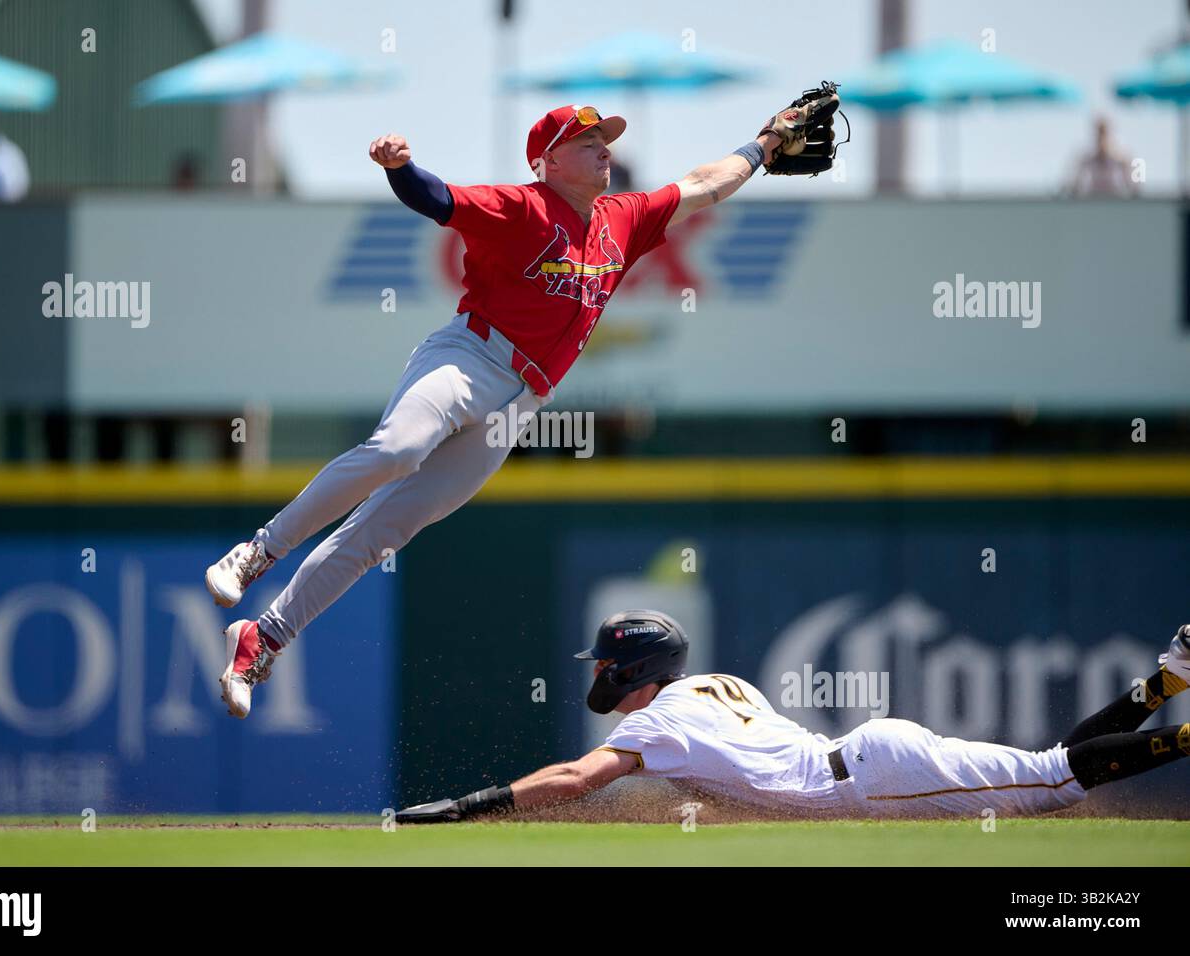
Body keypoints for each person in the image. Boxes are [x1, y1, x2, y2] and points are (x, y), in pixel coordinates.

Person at [204, 91, 842, 720]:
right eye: (588, 143)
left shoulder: (624, 217)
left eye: (605, 143)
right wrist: (399, 167)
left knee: (382, 532)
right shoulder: (521, 206)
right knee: (396, 450)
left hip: (524, 401)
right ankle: (258, 551)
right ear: (549, 160)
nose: (604, 152)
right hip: (469, 358)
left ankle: (264, 638)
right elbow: (437, 199)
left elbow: (706, 183)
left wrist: (762, 144)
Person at [395, 613, 1190, 822]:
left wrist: (477, 806)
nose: (598, 674)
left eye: (605, 663)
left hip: (871, 778)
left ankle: (1175, 701)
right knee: (1052, 770)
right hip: (873, 758)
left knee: (1054, 777)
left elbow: (576, 779)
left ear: (633, 669)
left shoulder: (651, 724)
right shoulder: (715, 685)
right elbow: (741, 777)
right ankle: (1168, 679)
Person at [1068, 117, 1138, 198]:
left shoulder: (1120, 157)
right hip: (1094, 199)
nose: (1101, 137)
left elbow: (1133, 189)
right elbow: (1074, 188)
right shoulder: (1087, 158)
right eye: (1099, 133)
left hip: (1114, 198)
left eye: (1104, 133)